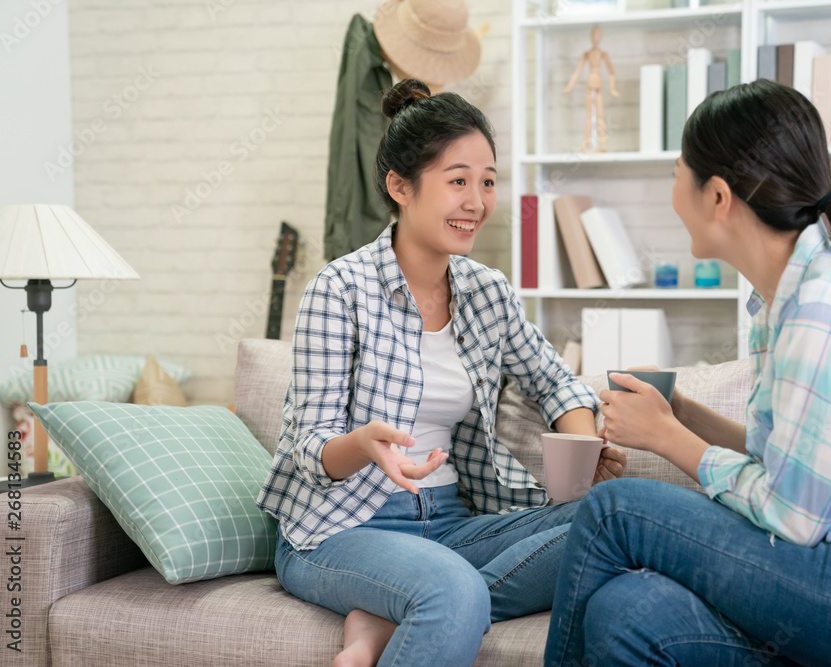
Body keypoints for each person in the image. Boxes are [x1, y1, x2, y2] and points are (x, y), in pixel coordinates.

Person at [543, 78, 831, 666]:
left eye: (679, 170)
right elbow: (789, 460)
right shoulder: (783, 299)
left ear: (719, 197)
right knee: (627, 612)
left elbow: (794, 515)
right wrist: (683, 412)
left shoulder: (824, 310)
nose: (672, 187)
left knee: (615, 509)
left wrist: (665, 438)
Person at [257, 78, 627, 667]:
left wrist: (583, 446)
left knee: (617, 515)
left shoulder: (487, 292)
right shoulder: (340, 288)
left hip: (452, 524)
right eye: (457, 181)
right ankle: (427, 600)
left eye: (487, 181)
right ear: (400, 187)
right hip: (342, 529)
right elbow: (310, 446)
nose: (476, 202)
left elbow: (556, 383)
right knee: (451, 590)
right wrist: (362, 444)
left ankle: (389, 614)